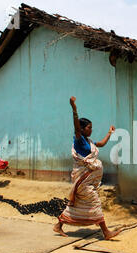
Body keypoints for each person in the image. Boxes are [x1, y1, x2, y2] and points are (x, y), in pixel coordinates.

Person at [53, 96, 124, 239]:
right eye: (89, 127)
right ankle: (106, 232)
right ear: (82, 129)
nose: (91, 130)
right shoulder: (79, 139)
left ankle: (58, 225)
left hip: (88, 180)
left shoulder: (89, 141)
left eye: (91, 127)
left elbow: (102, 144)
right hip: (83, 181)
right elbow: (76, 126)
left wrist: (109, 133)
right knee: (95, 201)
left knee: (77, 205)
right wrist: (74, 109)